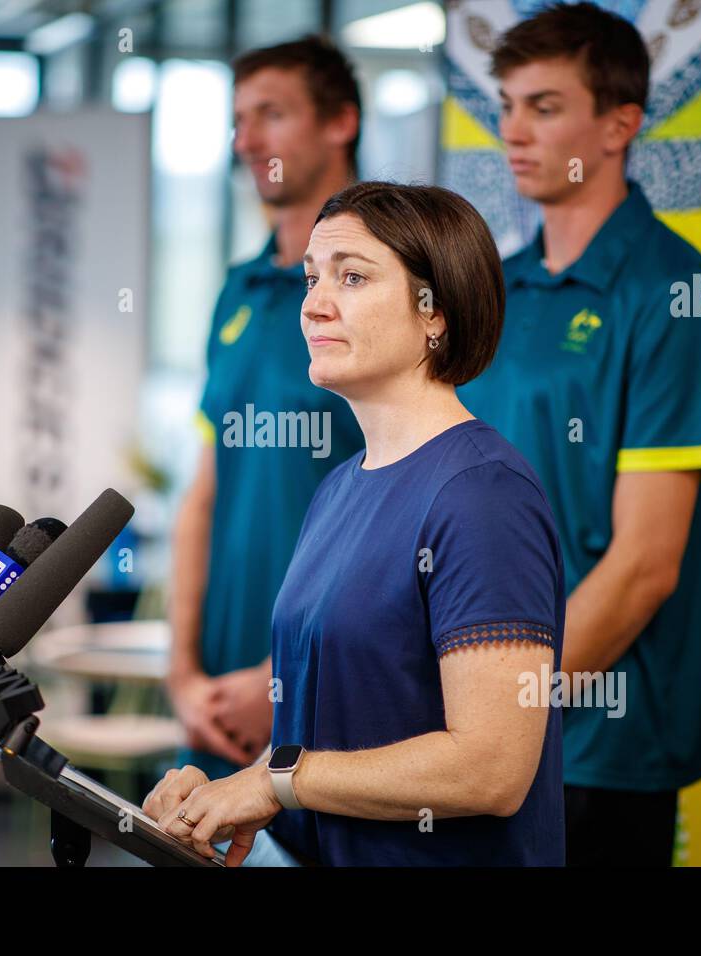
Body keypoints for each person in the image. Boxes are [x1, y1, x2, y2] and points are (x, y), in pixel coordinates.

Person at [144, 182, 567, 867]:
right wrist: (226, 792)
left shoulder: (484, 495)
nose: (314, 303)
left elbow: (492, 768)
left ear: (436, 312)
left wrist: (275, 781)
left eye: (352, 277)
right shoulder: (340, 488)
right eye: (312, 278)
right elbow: (336, 732)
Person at [457, 2, 701, 866]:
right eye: (507, 106)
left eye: (543, 107)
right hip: (470, 728)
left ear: (619, 125)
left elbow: (645, 566)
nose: (512, 131)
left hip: (603, 744)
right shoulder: (493, 288)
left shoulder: (671, 288)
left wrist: (497, 708)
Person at [167, 36, 366, 782]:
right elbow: (202, 493)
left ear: (340, 121)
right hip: (218, 693)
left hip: (330, 685)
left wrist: (283, 675)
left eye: (271, 115)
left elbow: (403, 512)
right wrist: (182, 669)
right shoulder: (238, 289)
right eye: (239, 120)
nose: (245, 141)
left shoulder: (381, 292)